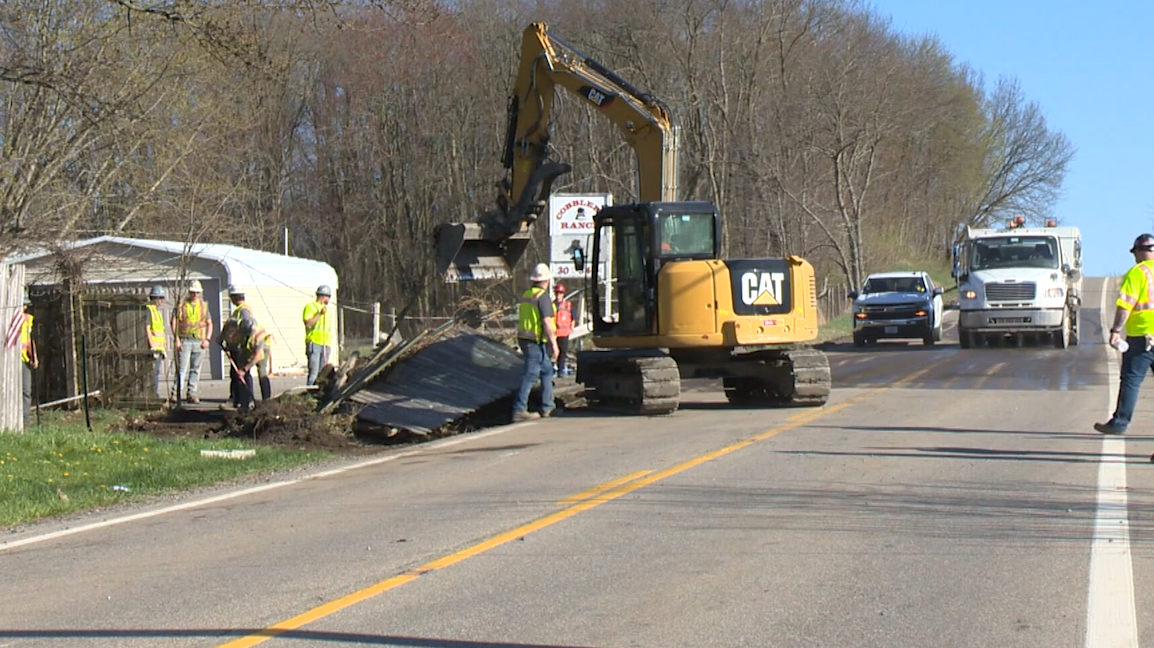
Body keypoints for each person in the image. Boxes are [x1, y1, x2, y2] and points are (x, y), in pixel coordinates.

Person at [1096, 233, 1154, 434]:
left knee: (1131, 379)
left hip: (1143, 338)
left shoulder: (1137, 273)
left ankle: (1120, 422)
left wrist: (1115, 331)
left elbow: (1125, 306)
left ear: (1138, 251)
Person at [512, 263, 559, 422]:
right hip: (535, 341)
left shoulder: (527, 294)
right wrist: (554, 343)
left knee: (546, 370)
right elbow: (546, 322)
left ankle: (548, 406)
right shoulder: (543, 298)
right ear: (546, 281)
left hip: (526, 339)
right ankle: (519, 409)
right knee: (531, 374)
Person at [171, 280, 213, 404]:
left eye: (197, 292)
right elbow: (174, 322)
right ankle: (176, 394)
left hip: (199, 341)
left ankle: (192, 393)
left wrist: (207, 339)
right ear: (189, 292)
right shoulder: (181, 305)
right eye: (193, 292)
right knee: (182, 369)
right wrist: (177, 339)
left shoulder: (203, 306)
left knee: (196, 369)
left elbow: (209, 323)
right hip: (184, 340)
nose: (195, 295)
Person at [303, 285, 332, 386]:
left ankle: (319, 395)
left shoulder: (327, 311)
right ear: (324, 296)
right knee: (314, 373)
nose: (329, 299)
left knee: (322, 374)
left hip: (325, 344)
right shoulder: (310, 307)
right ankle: (309, 394)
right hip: (314, 343)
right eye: (328, 297)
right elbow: (308, 323)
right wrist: (319, 314)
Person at [144, 285, 170, 400]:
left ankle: (155, 393)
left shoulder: (156, 312)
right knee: (153, 373)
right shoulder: (149, 310)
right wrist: (152, 345)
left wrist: (163, 347)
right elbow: (148, 329)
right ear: (156, 298)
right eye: (161, 298)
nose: (162, 301)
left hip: (159, 348)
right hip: (154, 348)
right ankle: (153, 395)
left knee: (156, 372)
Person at [19, 295, 37, 427]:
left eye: (25, 305)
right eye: (23, 305)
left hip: (24, 360)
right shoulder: (8, 319)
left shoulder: (27, 320)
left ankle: (25, 423)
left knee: (26, 392)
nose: (25, 308)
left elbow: (29, 340)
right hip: (9, 362)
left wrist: (34, 357)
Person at [553, 283, 574, 376]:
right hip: (554, 333)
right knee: (553, 352)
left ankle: (561, 369)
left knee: (563, 352)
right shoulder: (552, 305)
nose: (558, 295)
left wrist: (571, 328)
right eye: (557, 293)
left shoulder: (568, 305)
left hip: (564, 333)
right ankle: (554, 368)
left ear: (563, 294)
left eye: (560, 293)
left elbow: (573, 317)